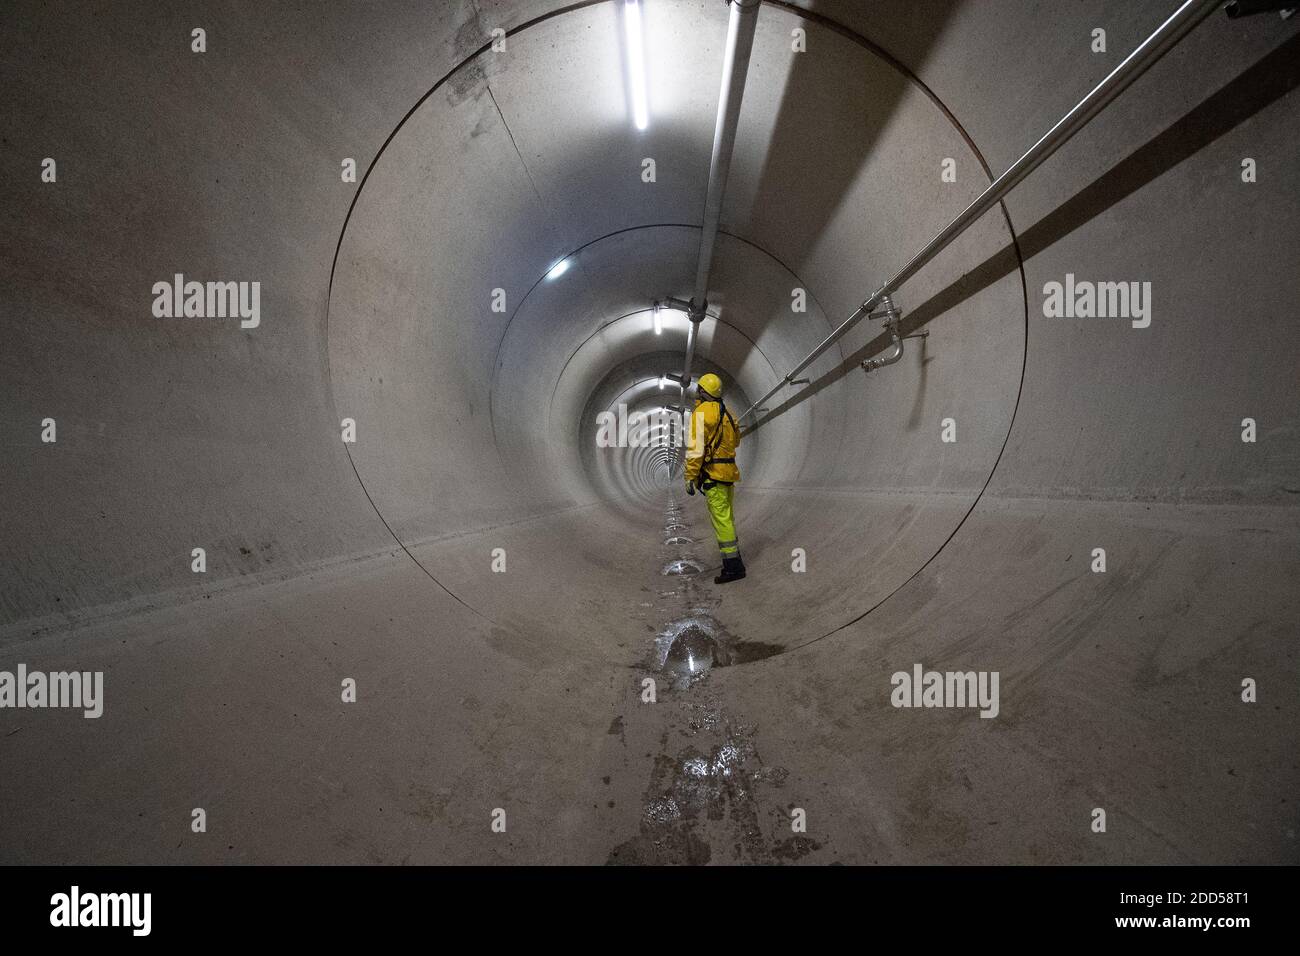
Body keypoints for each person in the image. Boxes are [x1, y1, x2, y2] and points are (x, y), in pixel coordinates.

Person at [683, 372, 747, 584]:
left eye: (698, 389)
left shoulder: (701, 413)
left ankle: (733, 568)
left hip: (713, 475)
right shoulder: (729, 413)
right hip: (729, 474)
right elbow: (736, 442)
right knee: (727, 518)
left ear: (702, 391)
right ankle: (735, 561)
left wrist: (690, 476)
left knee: (722, 521)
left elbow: (695, 450)